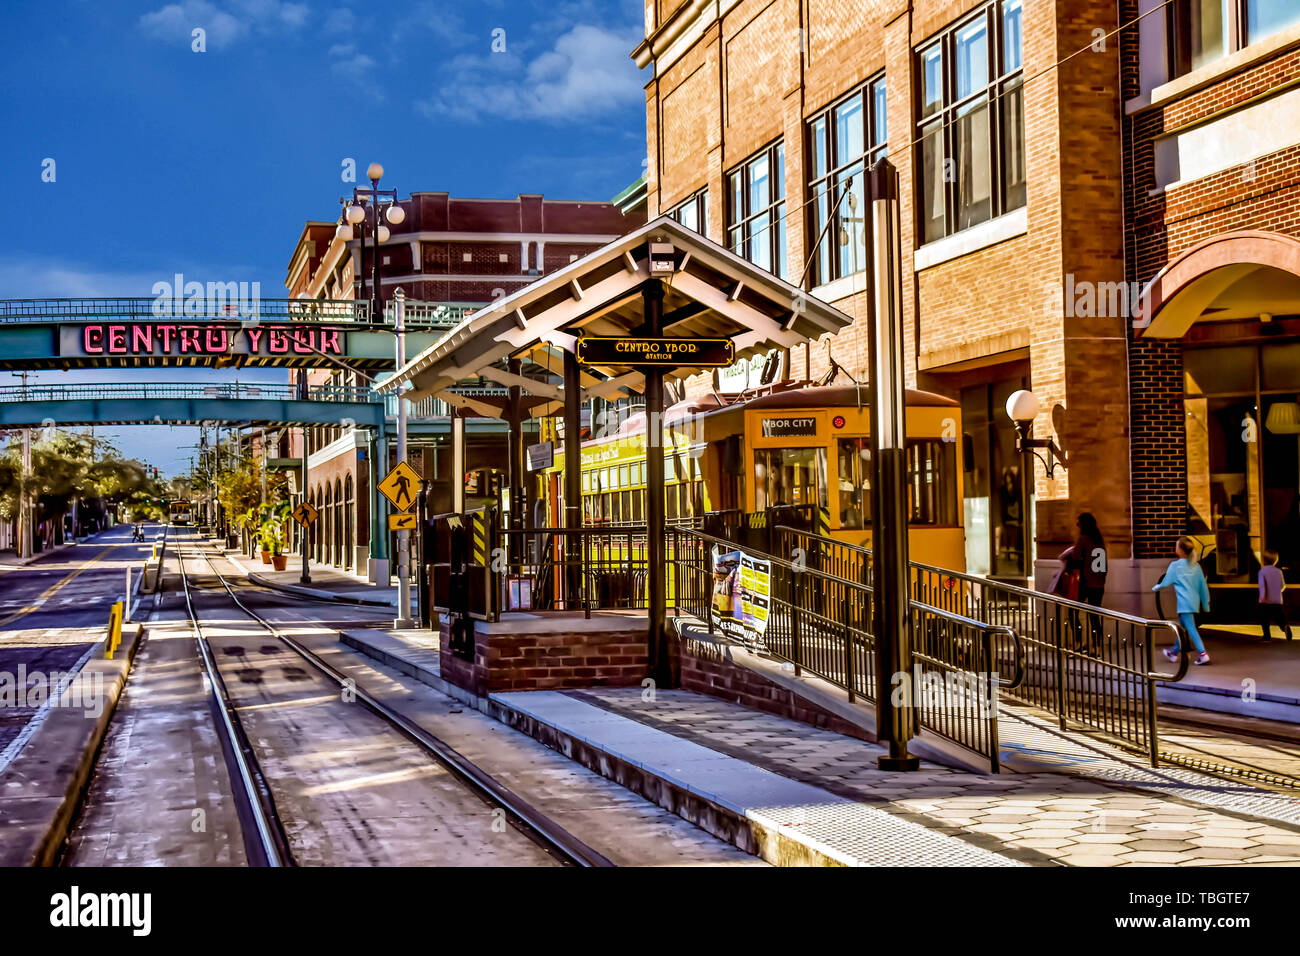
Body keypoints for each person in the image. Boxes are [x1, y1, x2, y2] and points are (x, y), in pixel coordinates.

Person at [1154, 536, 1212, 665]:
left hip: (1184, 604)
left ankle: (1203, 654)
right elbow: (1203, 586)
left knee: (1191, 629)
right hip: (1193, 603)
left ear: (1180, 550)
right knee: (1182, 628)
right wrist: (1206, 603)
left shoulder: (1175, 566)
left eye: (1176, 545)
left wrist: (1157, 587)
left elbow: (1167, 580)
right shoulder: (1196, 566)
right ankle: (1174, 653)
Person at [1065, 512, 1108, 650]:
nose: (1077, 526)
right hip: (1099, 584)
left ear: (1083, 525)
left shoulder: (1083, 539)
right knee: (1094, 616)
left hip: (1085, 583)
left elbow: (1076, 558)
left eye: (1078, 523)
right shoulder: (1099, 541)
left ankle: (1078, 643)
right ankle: (1097, 646)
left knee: (1073, 612)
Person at [1258, 549, 1289, 643]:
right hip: (1278, 600)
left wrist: (1262, 598)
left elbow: (1262, 587)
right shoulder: (1279, 571)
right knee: (1279, 617)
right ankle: (1285, 627)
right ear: (1275, 560)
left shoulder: (1262, 572)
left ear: (1263, 560)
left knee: (1264, 619)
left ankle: (1267, 636)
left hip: (1266, 601)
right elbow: (1283, 586)